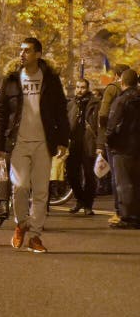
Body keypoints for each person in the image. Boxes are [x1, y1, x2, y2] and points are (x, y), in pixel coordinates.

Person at [0, 38, 69, 253]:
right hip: (18, 143)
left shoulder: (51, 79)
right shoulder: (11, 79)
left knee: (41, 192)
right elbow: (1, 113)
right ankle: (21, 222)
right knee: (20, 186)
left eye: (27, 50)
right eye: (21, 50)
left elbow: (61, 111)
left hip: (44, 143)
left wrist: (63, 140)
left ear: (38, 54)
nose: (22, 54)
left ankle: (35, 236)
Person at [105, 69, 140, 228]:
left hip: (122, 147)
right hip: (136, 146)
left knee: (124, 182)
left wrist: (109, 141)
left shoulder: (121, 100)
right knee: (136, 182)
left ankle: (127, 217)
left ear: (122, 82)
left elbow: (112, 124)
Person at [97, 63, 130, 225]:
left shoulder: (112, 89)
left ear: (117, 75)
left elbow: (103, 115)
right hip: (133, 140)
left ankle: (119, 211)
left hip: (116, 140)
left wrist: (104, 137)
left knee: (117, 177)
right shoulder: (136, 91)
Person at [66, 78, 99, 215]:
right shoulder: (71, 104)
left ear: (88, 88)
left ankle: (88, 204)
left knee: (89, 175)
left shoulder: (95, 103)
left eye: (83, 87)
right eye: (78, 87)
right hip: (74, 143)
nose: (80, 90)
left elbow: (99, 124)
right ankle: (80, 199)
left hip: (88, 143)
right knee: (72, 174)